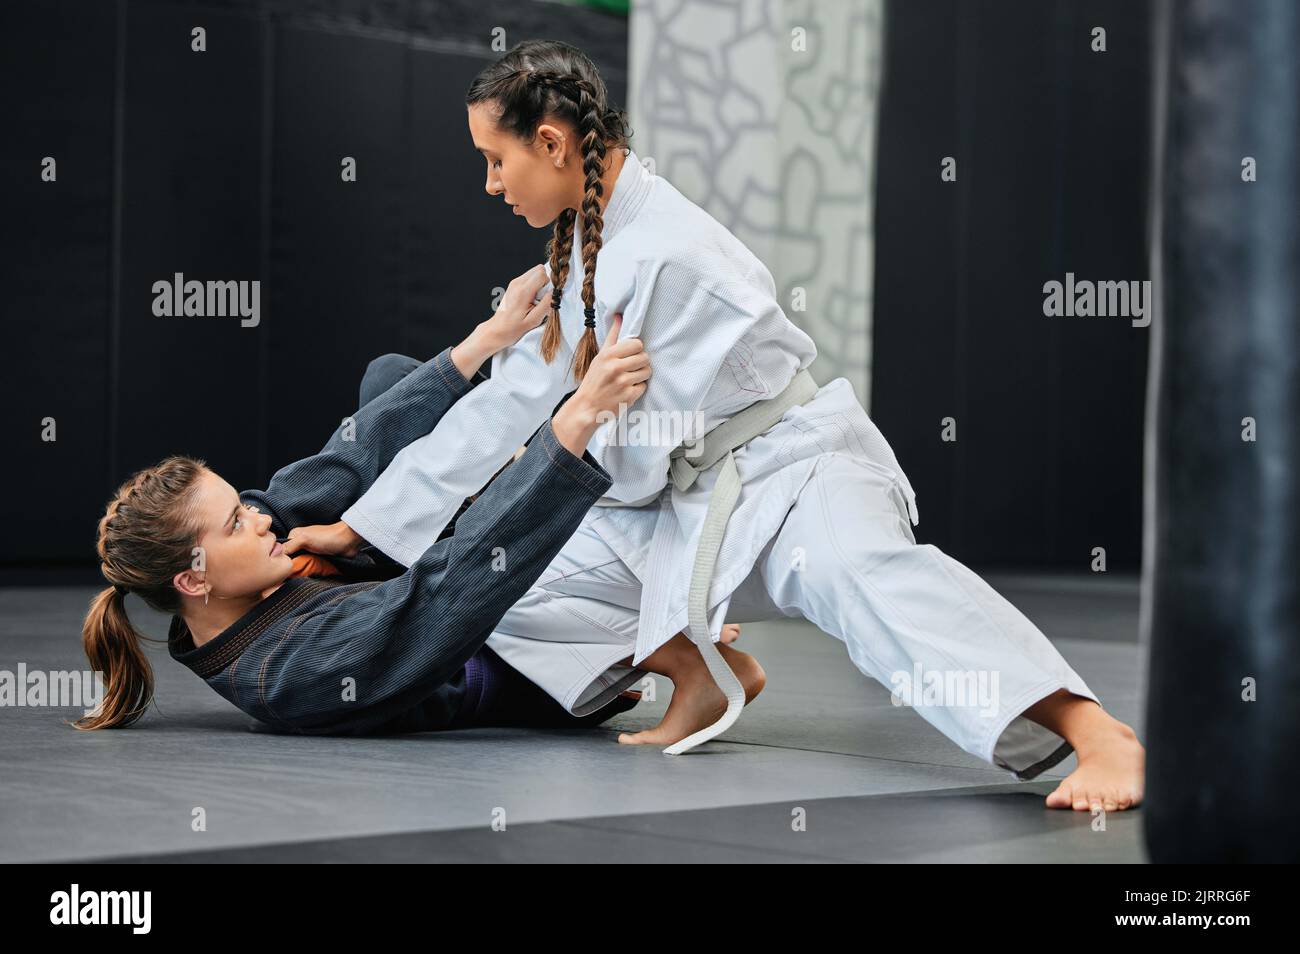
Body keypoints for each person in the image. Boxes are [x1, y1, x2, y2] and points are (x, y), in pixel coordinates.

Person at [299, 40, 1144, 813]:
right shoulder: (591, 246)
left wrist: (379, 519)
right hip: (683, 495)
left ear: (552, 143)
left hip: (791, 466)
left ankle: (1094, 733)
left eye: (496, 159)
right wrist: (367, 526)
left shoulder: (662, 248)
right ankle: (695, 669)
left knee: (864, 579)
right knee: (502, 568)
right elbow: (507, 405)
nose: (490, 183)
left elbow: (548, 417)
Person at [75, 269, 738, 736]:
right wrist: (575, 424)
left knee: (387, 378)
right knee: (510, 562)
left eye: (243, 506)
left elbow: (345, 459)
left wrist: (488, 338)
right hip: (480, 639)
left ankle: (502, 476)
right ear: (193, 577)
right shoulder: (286, 674)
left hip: (407, 577)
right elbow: (448, 594)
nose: (260, 516)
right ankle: (653, 637)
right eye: (237, 522)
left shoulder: (246, 558)